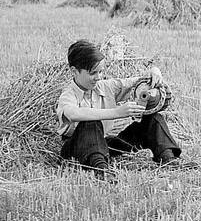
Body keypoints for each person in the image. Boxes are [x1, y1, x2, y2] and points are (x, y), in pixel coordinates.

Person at [56, 39, 181, 177]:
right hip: (77, 149)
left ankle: (168, 159)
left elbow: (138, 82)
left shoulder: (106, 86)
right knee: (90, 123)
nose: (98, 77)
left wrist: (154, 72)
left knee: (153, 119)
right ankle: (102, 171)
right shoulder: (67, 95)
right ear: (74, 71)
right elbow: (73, 113)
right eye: (93, 73)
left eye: (100, 71)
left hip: (104, 146)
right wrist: (117, 112)